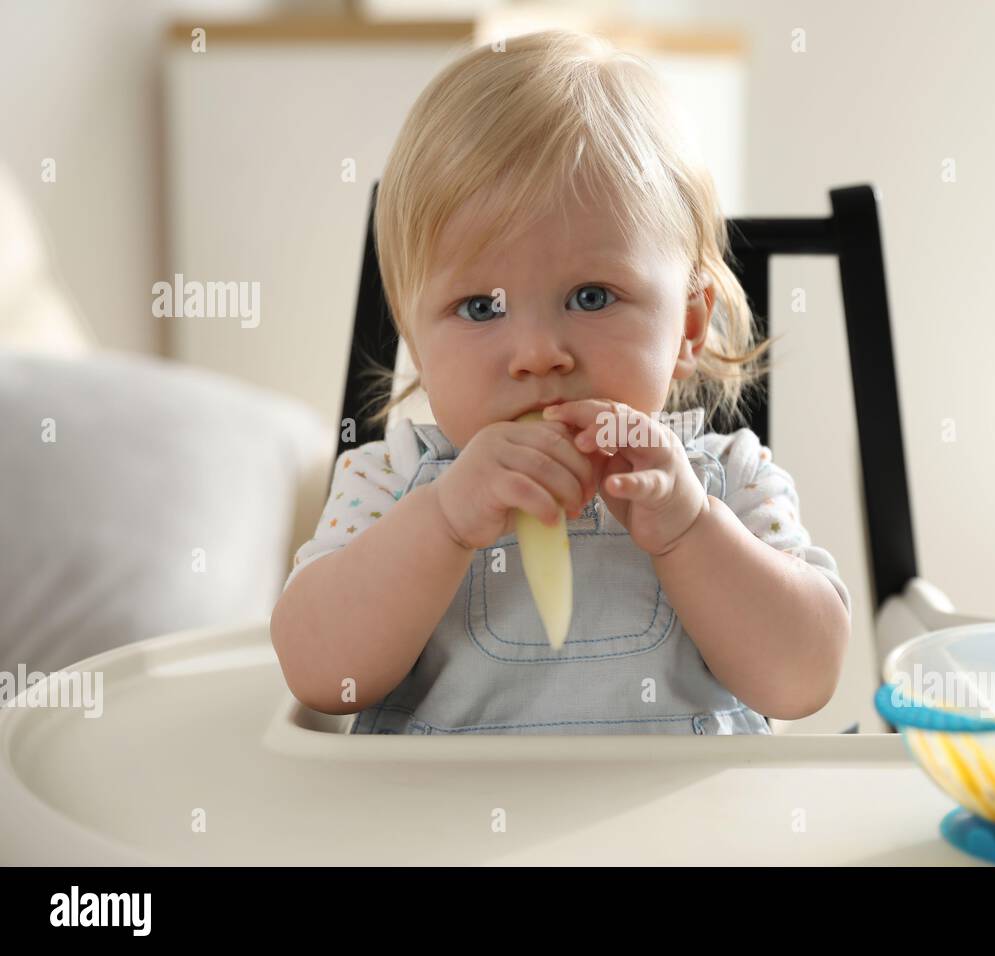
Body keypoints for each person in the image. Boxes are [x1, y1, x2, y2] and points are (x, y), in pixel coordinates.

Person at [270, 29, 851, 735]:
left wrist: (692, 529)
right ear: (418, 344)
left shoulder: (730, 477)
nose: (538, 354)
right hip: (445, 838)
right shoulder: (389, 483)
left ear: (690, 329)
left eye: (592, 297)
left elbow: (804, 679)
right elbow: (320, 677)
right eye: (481, 307)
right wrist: (445, 521)